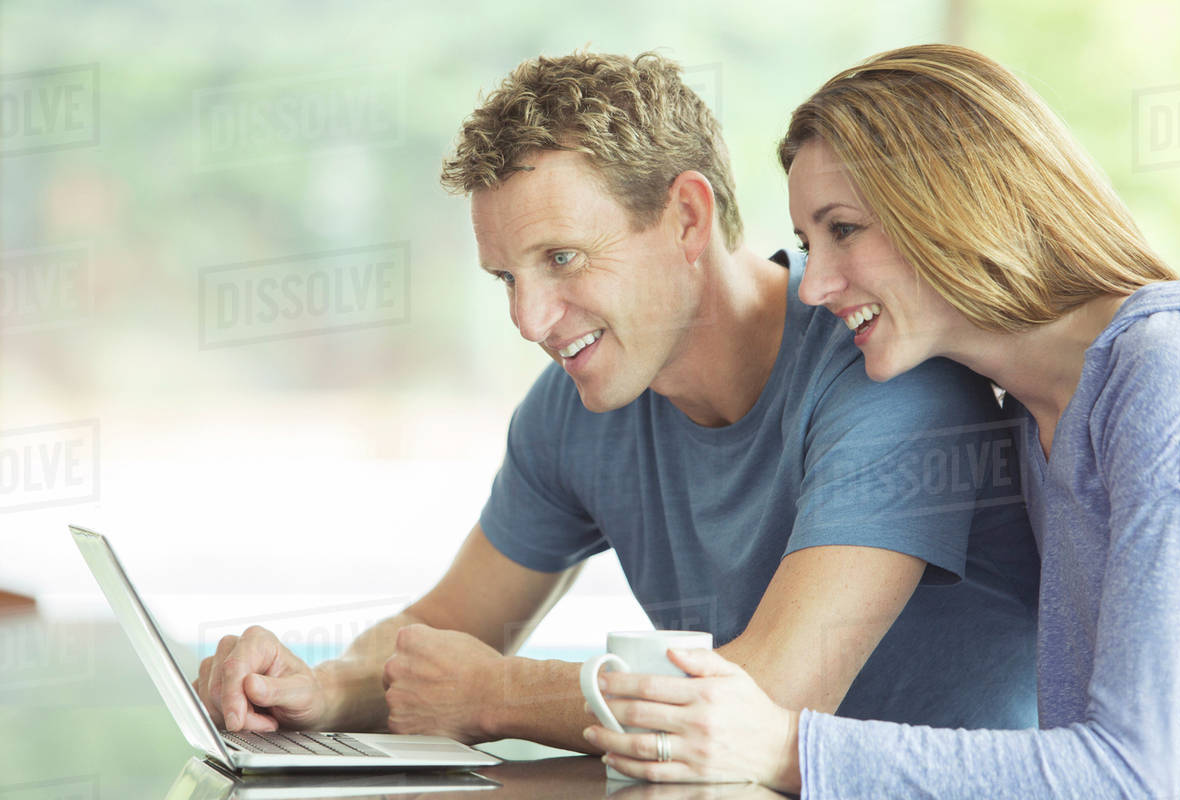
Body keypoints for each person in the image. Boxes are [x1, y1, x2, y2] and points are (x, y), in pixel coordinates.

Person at [193, 51, 1040, 754]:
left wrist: (501, 698)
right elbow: (448, 631)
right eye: (506, 279)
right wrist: (314, 688)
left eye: (561, 259)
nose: (528, 320)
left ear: (684, 218)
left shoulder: (888, 370)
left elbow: (767, 694)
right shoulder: (579, 406)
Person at [586, 44, 1180, 797]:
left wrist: (786, 748)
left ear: (959, 198)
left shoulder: (1167, 371)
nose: (814, 288)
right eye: (809, 245)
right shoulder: (1029, 420)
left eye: (844, 229)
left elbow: (1134, 773)